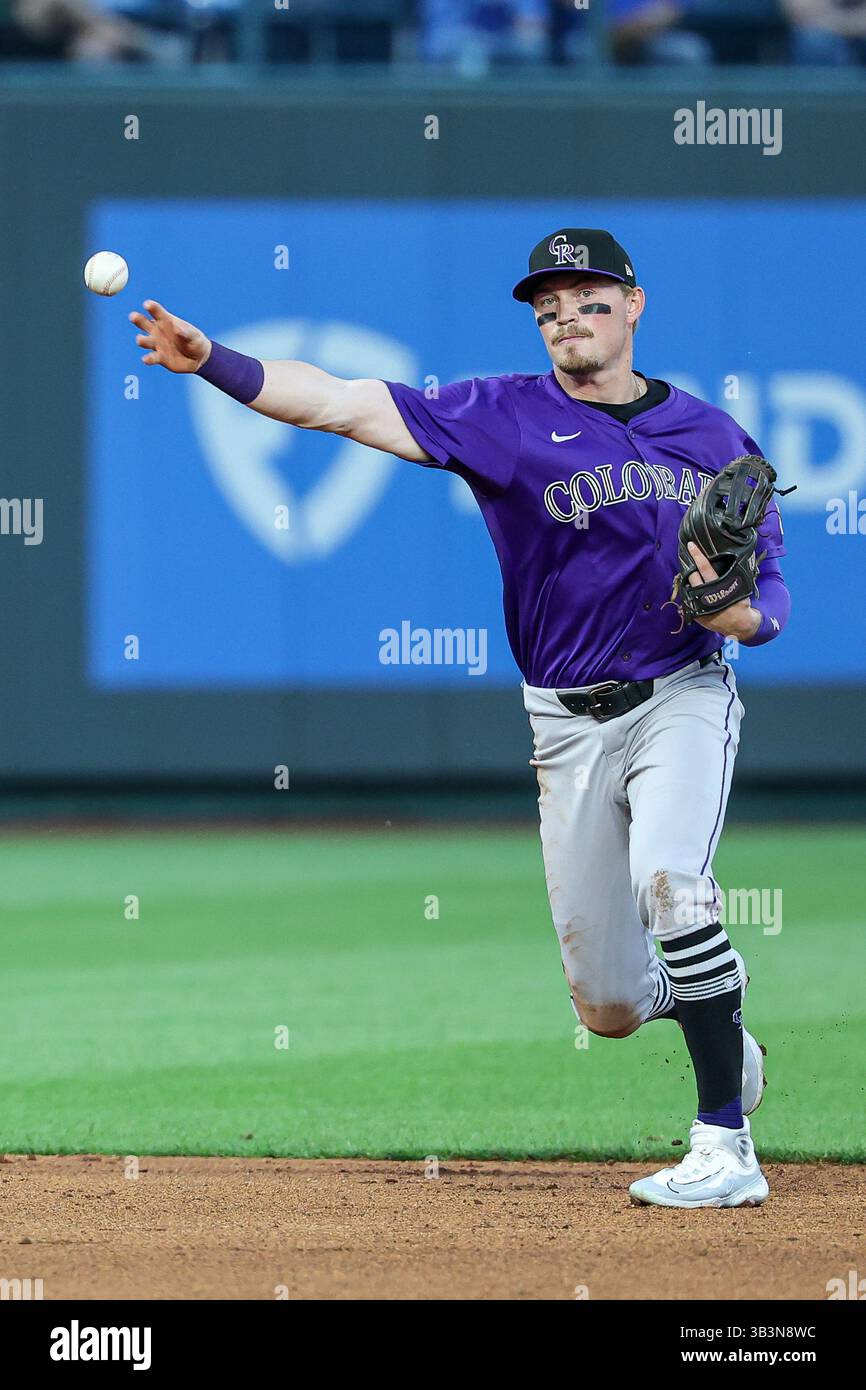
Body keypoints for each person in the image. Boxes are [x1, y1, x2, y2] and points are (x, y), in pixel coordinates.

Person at [128, 225, 791, 1208]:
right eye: (547, 303)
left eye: (587, 295)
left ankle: (722, 1145)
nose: (566, 313)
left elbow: (766, 602)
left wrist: (727, 611)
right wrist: (214, 361)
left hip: (680, 696)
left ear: (633, 303)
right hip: (563, 723)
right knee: (606, 1005)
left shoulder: (713, 439)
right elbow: (341, 404)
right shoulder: (498, 416)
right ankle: (717, 1029)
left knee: (672, 882)